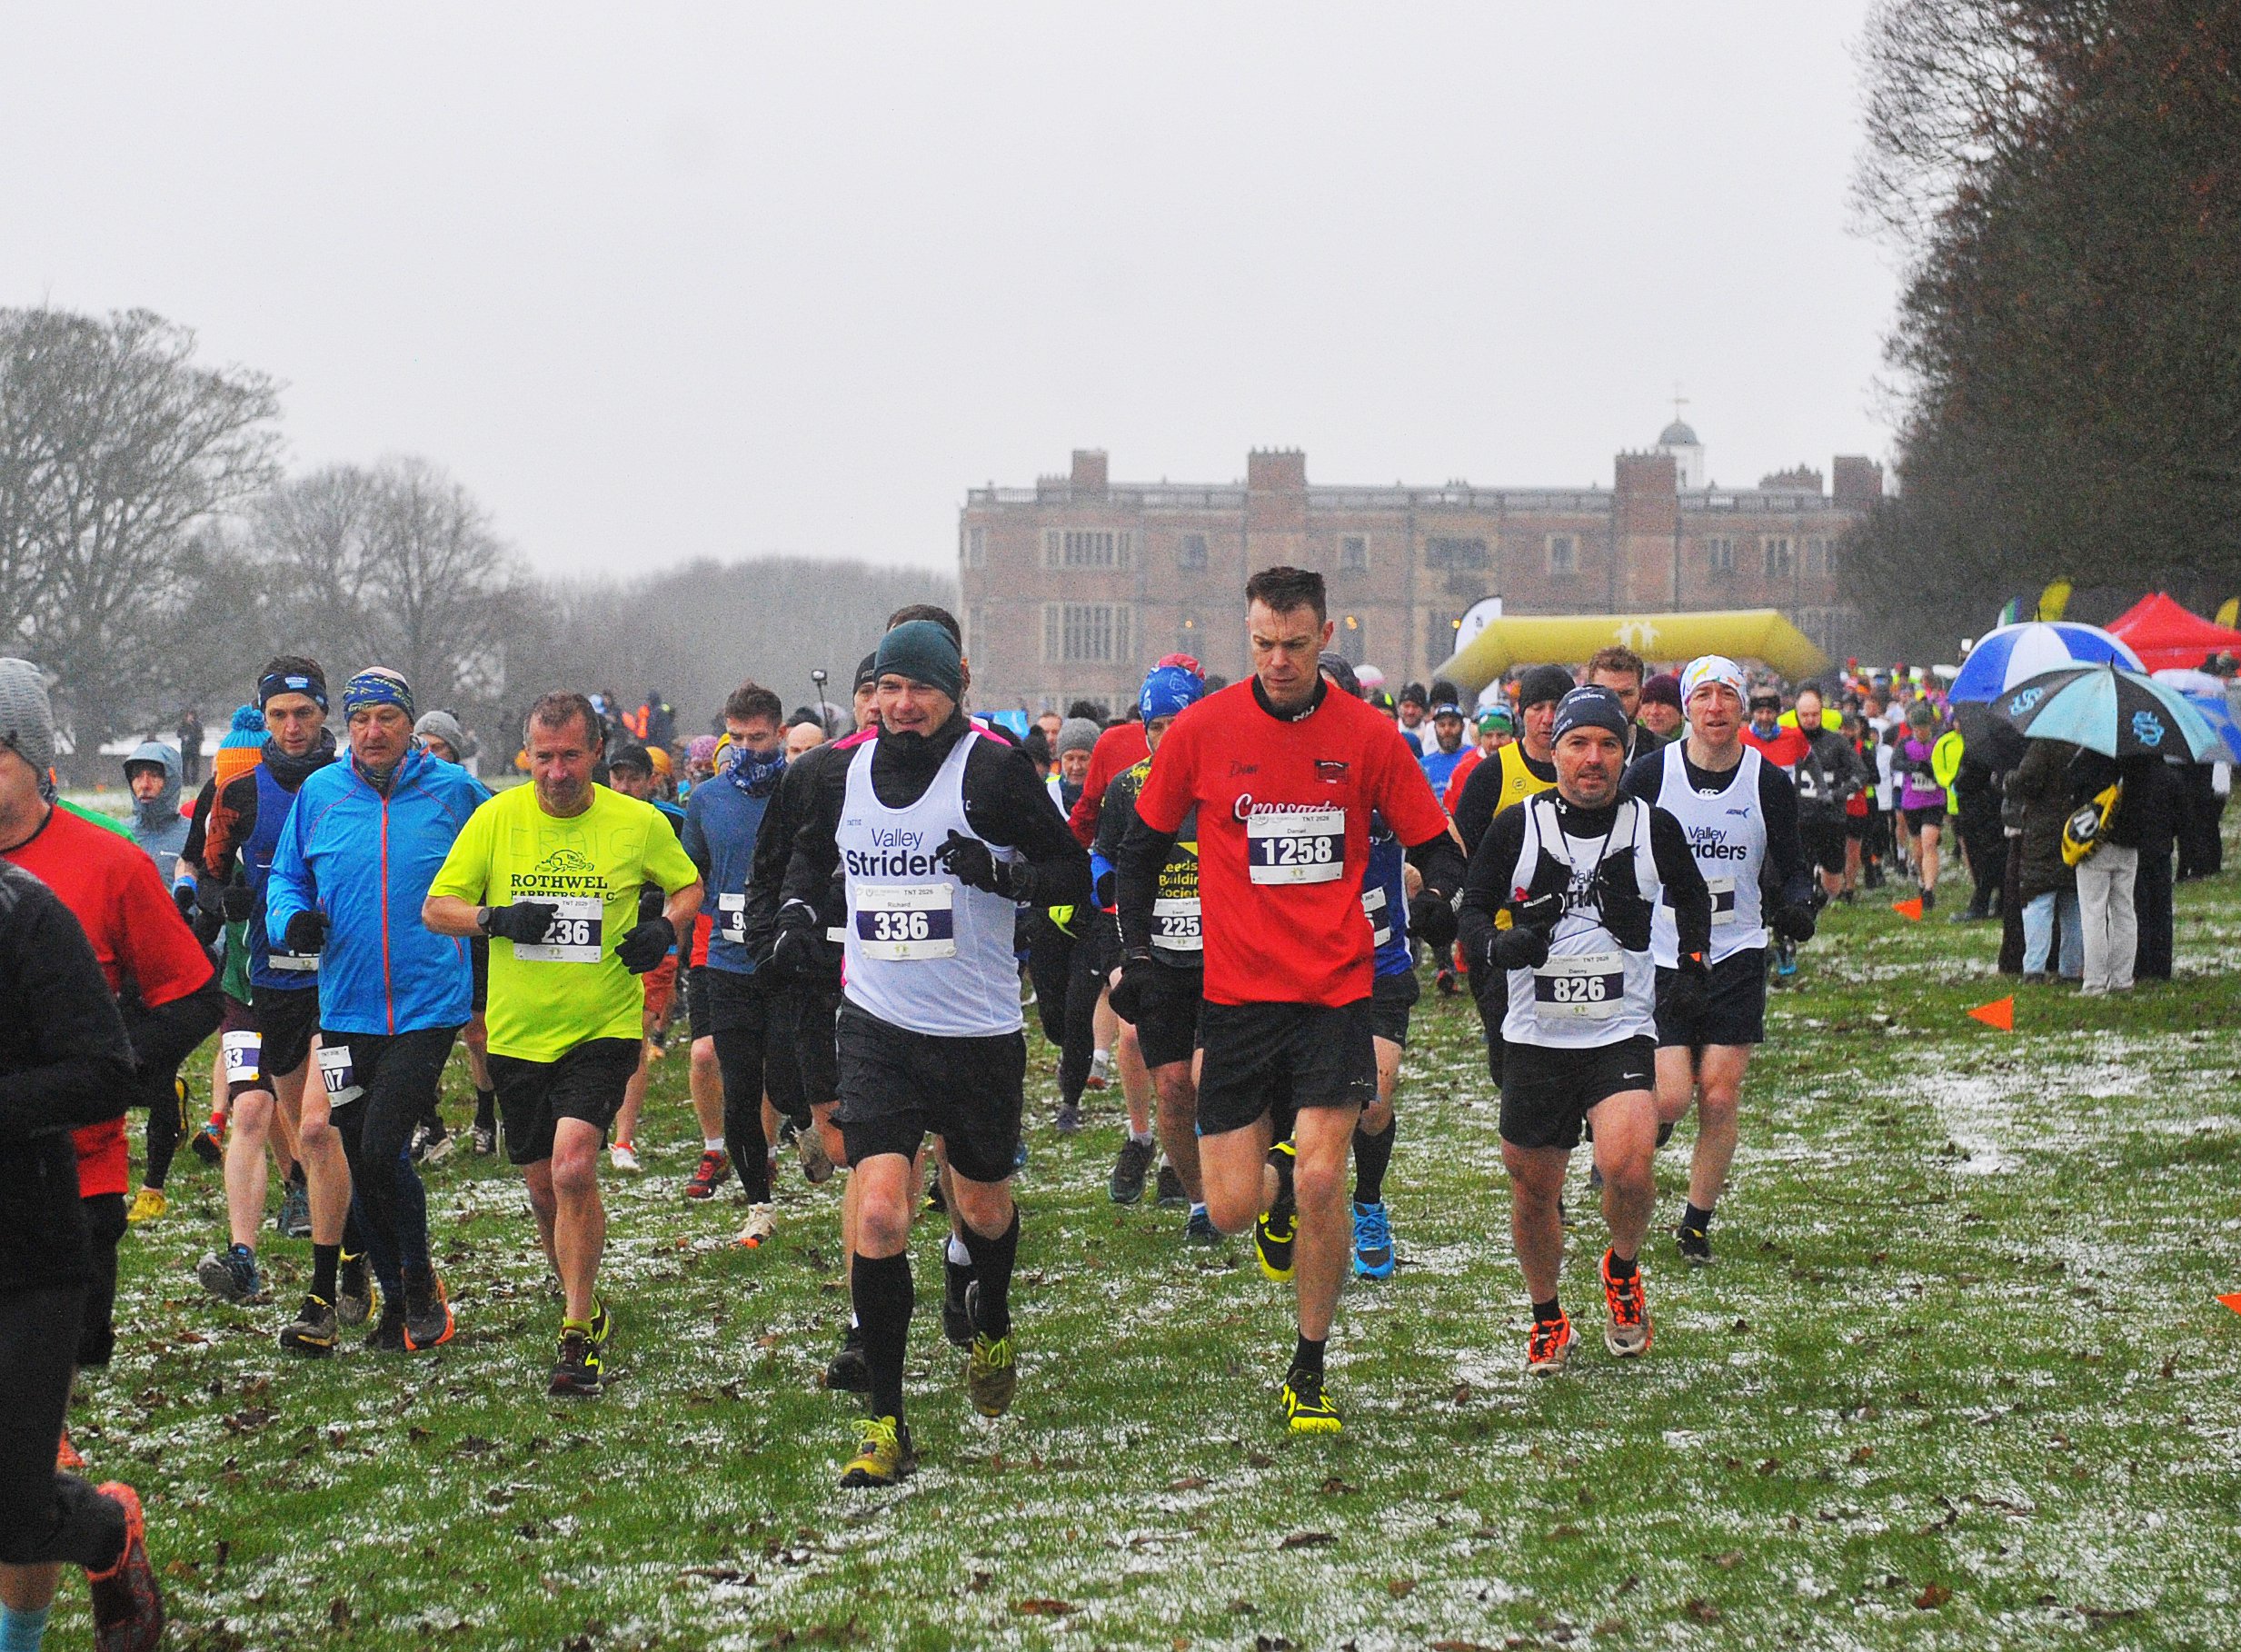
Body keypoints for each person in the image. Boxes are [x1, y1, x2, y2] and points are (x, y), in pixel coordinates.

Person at [1114, 568, 1460, 1434]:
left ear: (1325, 636)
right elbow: (1140, 850)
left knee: (1321, 1177)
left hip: (1336, 992)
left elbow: (1436, 844)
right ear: (1249, 635)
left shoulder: (1369, 736)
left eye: (1296, 645)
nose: (1278, 661)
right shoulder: (1203, 730)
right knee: (1232, 1207)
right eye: (1264, 644)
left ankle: (1309, 1369)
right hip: (1237, 998)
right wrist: (1137, 953)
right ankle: (1270, 1196)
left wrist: (1443, 904)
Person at [774, 620, 1090, 1485]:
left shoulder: (993, 773)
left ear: (956, 691)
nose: (903, 705)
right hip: (877, 1027)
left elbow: (1072, 873)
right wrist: (798, 914)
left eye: (921, 689)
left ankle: (993, 1318)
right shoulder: (838, 775)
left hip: (977, 1035)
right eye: (889, 689)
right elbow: (807, 859)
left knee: (981, 1207)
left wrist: (1006, 877)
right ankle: (886, 1420)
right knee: (880, 1213)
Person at [426, 692, 700, 1394]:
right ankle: (581, 1294)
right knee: (544, 1187)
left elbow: (688, 887)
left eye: (570, 756)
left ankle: (577, 1332)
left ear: (596, 753)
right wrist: (496, 919)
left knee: (575, 1167)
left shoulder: (637, 822)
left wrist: (663, 929)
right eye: (542, 757)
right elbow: (436, 908)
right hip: (519, 1036)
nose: (555, 772)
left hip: (602, 1027)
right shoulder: (496, 818)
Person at [1459, 685, 1711, 1373]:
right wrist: (1498, 947)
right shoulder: (1518, 827)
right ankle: (1547, 1314)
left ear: (1625, 753)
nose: (1592, 758)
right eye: (1578, 743)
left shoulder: (1653, 827)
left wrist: (1692, 964)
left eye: (1606, 744)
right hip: (1535, 1035)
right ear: (1555, 749)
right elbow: (1472, 910)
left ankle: (1622, 1270)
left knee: (1628, 1168)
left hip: (1619, 1029)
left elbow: (1692, 896)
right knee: (1534, 1190)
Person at [0, 659, 222, 1396]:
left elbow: (194, 997)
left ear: (36, 759)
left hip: (76, 1175)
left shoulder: (107, 863)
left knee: (58, 1379)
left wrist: (113, 1072)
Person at [265, 668, 492, 1356]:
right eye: (361, 720)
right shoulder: (321, 793)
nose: (372, 732)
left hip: (429, 1004)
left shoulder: (454, 791)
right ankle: (397, 1305)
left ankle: (419, 1284)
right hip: (344, 1008)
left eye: (387, 718)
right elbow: (286, 877)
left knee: (380, 1146)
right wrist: (290, 920)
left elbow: (518, 843)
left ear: (409, 725)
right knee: (359, 1155)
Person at [0, 860, 164, 1652]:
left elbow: (104, 1073)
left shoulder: (25, 916)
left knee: (12, 1509)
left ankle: (105, 1532)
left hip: (25, 1251)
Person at [1622, 655, 1813, 1268]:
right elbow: (1616, 852)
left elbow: (1794, 865)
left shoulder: (1767, 782)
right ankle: (1639, 1134)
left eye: (1727, 696)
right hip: (1665, 951)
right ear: (1686, 708)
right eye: (1703, 696)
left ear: (1742, 707)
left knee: (1721, 1095)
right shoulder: (1651, 775)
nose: (1715, 708)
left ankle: (1696, 1225)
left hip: (1737, 950)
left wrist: (1798, 903)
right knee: (1672, 1097)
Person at [184, 660, 350, 1318]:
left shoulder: (350, 783)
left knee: (323, 1126)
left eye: (303, 713)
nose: (292, 726)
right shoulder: (239, 792)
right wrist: (222, 902)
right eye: (278, 714)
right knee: (251, 1111)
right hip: (254, 983)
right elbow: (207, 874)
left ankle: (351, 1249)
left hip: (336, 987)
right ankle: (243, 1257)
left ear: (323, 714)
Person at [1093, 660, 1212, 1240]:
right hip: (1159, 959)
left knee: (1211, 1079)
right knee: (1172, 1087)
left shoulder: (1224, 780)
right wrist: (1117, 945)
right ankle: (1199, 1203)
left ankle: (1241, 1178)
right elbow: (1103, 856)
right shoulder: (1127, 788)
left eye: (1176, 724)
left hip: (1223, 959)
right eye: (1155, 726)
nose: (1165, 737)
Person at [678, 686, 796, 1244]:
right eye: (738, 738)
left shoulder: (801, 791)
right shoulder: (707, 799)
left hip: (791, 961)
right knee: (741, 1087)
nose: (748, 748)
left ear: (780, 734)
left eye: (759, 737)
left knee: (789, 1080)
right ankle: (759, 1203)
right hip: (729, 961)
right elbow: (691, 871)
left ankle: (804, 1125)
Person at [603, 742, 690, 1175]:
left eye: (633, 778)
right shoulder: (595, 819)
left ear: (650, 780)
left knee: (634, 1037)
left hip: (654, 946)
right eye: (617, 777)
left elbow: (691, 884)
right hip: (599, 947)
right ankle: (589, 1121)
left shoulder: (672, 821)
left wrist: (673, 932)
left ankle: (623, 1138)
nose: (624, 786)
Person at [413, 710, 494, 1157]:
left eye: (438, 747)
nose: (428, 755)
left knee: (476, 1031)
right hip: (421, 926)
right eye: (421, 746)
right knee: (419, 1029)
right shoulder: (405, 795)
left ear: (455, 752)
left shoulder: (466, 791)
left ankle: (486, 1117)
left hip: (468, 924)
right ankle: (429, 1123)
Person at [1451, 664, 1568, 862]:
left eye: (1556, 708)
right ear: (1521, 712)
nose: (1548, 719)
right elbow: (1464, 849)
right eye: (1538, 708)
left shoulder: (1588, 768)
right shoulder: (1492, 773)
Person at [2009, 738, 2084, 982]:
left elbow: (2026, 782)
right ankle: (2071, 968)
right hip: (2076, 830)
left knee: (2039, 900)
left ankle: (2034, 968)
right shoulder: (2085, 744)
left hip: (2042, 833)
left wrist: (2008, 779)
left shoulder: (2044, 745)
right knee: (2073, 903)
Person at [1786, 684, 1863, 908]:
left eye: (1815, 714)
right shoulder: (1788, 740)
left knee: (1833, 879)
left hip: (1831, 818)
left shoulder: (1836, 742)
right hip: (1799, 819)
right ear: (1796, 715)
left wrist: (1838, 794)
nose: (1810, 720)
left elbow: (1861, 773)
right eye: (1805, 715)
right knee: (1800, 870)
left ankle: (1824, 893)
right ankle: (1804, 906)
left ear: (1821, 713)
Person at [1892, 701, 1948, 910]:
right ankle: (1922, 881)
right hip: (1912, 802)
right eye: (1916, 729)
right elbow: (1895, 763)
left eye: (1923, 728)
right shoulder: (1905, 744)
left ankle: (1929, 890)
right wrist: (1915, 766)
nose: (1920, 732)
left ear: (1930, 726)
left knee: (1929, 843)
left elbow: (1946, 765)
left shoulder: (1938, 743)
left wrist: (1933, 770)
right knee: (1917, 849)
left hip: (1934, 801)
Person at [121, 743, 190, 888]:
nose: (145, 785)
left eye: (154, 776)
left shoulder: (193, 836)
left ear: (172, 781)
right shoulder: (119, 833)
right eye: (138, 776)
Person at [1586, 645, 1666, 762]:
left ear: (1641, 696)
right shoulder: (1572, 749)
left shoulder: (1664, 755)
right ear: (1588, 693)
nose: (1616, 702)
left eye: (1625, 694)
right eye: (1606, 693)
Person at [1416, 692, 1470, 796]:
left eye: (1452, 724)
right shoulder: (1424, 765)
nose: (1447, 730)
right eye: (1441, 725)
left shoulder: (1473, 757)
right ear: (1435, 728)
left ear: (1462, 727)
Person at [1637, 672, 1684, 742]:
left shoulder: (1695, 740)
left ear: (1680, 711)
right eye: (1648, 703)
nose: (1654, 712)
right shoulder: (1630, 740)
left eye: (1662, 703)